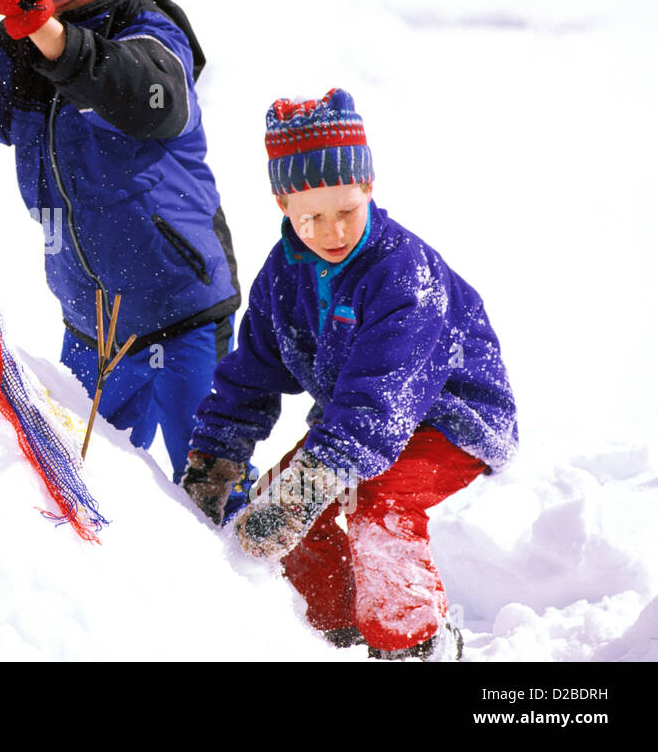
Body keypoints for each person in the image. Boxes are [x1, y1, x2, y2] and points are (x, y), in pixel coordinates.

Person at [183, 88, 518, 660]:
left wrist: (305, 491)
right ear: (282, 203)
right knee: (275, 495)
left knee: (374, 497)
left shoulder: (402, 274)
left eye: (345, 211)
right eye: (311, 217)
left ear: (368, 186)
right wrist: (216, 459)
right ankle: (336, 631)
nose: (332, 232)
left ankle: (413, 643)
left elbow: (378, 402)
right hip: (360, 427)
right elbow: (251, 375)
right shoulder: (283, 274)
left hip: (450, 420)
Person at [0, 0, 240, 484]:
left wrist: (40, 26)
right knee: (86, 487)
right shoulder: (22, 42)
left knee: (210, 487)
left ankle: (251, 547)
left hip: (182, 313)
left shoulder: (149, 28)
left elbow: (146, 99)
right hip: (90, 325)